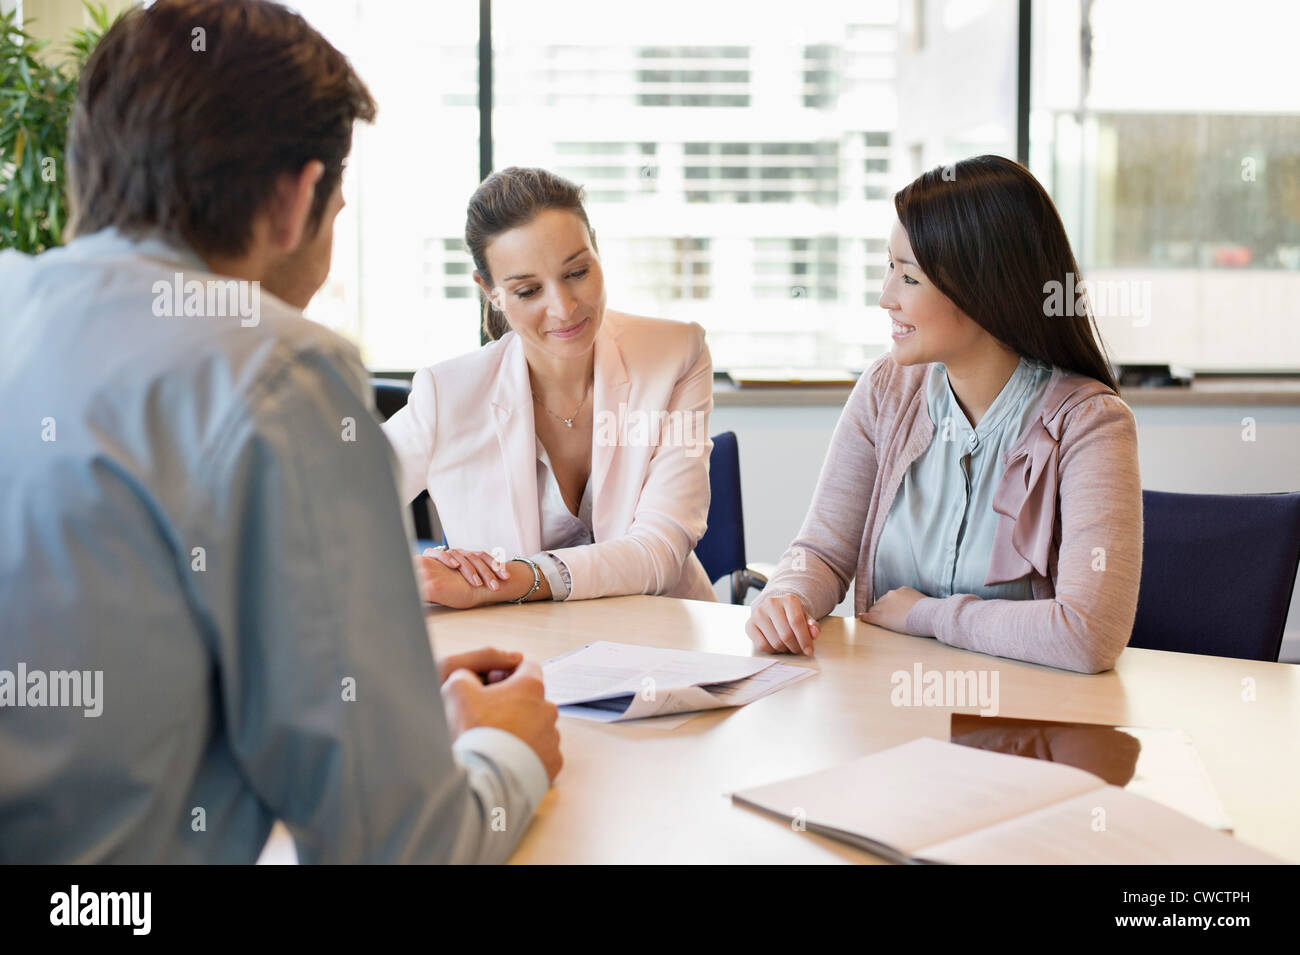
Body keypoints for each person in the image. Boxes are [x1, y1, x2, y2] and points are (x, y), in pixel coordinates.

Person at [0, 0, 559, 864]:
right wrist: (505, 746)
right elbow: (399, 846)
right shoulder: (277, 369)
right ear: (298, 199)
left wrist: (382, 699)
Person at [746, 155, 1142, 674]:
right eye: (889, 268)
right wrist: (787, 595)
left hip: (1024, 727)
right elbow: (822, 551)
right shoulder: (885, 391)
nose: (885, 297)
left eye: (908, 278)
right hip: (885, 710)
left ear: (982, 290)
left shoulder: (1090, 424)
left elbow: (1088, 634)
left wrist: (927, 616)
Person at [383, 167, 715, 608]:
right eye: (528, 290)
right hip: (521, 653)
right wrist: (409, 571)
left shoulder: (675, 354)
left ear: (596, 248)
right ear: (491, 291)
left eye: (577, 272)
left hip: (665, 645)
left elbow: (660, 552)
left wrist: (510, 580)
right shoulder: (447, 396)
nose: (564, 308)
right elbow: (322, 515)